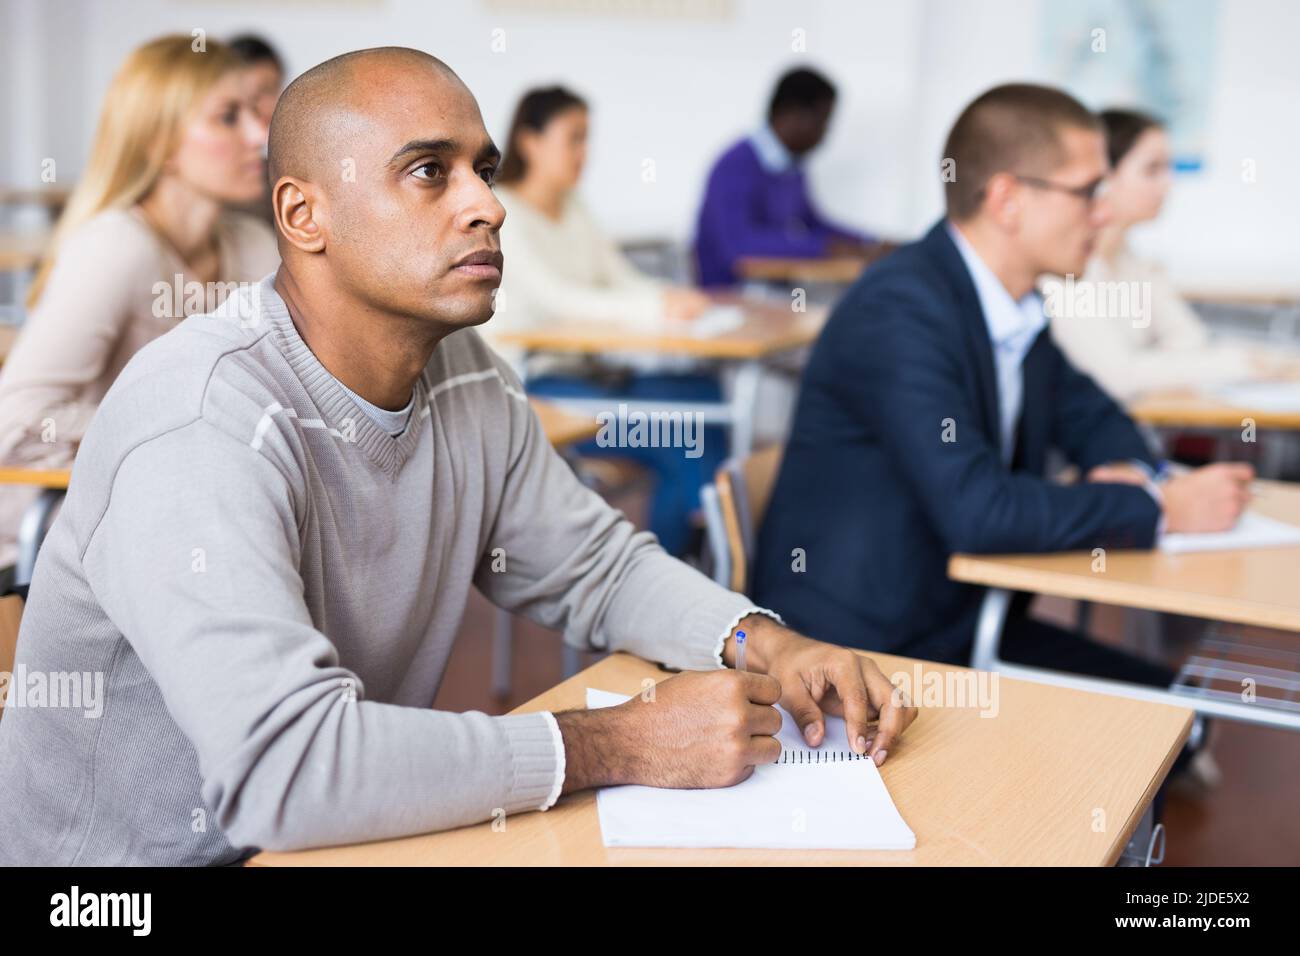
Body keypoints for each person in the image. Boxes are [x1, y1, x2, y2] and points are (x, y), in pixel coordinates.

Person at [0, 47, 915, 866]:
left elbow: (592, 565)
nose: (487, 204)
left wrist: (762, 639)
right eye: (429, 172)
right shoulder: (201, 421)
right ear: (303, 214)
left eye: (483, 169)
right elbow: (286, 771)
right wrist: (623, 744)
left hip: (341, 838)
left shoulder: (466, 373)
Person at [753, 83, 1253, 683]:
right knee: (1169, 726)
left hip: (962, 619)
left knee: (1179, 708)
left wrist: (1131, 470)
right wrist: (1160, 506)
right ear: (1008, 199)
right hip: (862, 653)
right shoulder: (900, 308)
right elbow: (979, 510)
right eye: (1088, 191)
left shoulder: (1015, 304)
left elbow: (1095, 417)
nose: (1106, 212)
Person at [0, 35, 278, 588]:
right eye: (228, 117)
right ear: (160, 145)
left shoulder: (253, 244)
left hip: (185, 512)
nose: (260, 135)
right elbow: (16, 418)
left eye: (256, 111)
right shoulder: (117, 245)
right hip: (66, 522)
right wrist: (185, 431)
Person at [487, 85, 720, 556]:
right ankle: (682, 569)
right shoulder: (503, 212)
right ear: (530, 142)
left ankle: (705, 529)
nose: (585, 153)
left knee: (703, 394)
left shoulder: (574, 208)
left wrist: (674, 297)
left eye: (588, 138)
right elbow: (559, 301)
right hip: (540, 389)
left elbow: (620, 280)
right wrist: (656, 310)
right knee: (681, 438)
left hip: (593, 377)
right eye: (574, 138)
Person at [1049, 108, 1295, 400]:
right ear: (1102, 177)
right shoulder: (1065, 268)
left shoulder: (1133, 262)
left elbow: (1191, 343)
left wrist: (1253, 362)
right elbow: (1119, 376)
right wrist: (1246, 364)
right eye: (1152, 170)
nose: (1168, 184)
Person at [693, 66, 875, 287]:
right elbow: (738, 245)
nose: (825, 134)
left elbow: (812, 222)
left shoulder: (791, 165)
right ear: (793, 114)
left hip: (772, 290)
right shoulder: (735, 164)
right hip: (728, 296)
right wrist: (825, 247)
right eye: (822, 121)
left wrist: (867, 242)